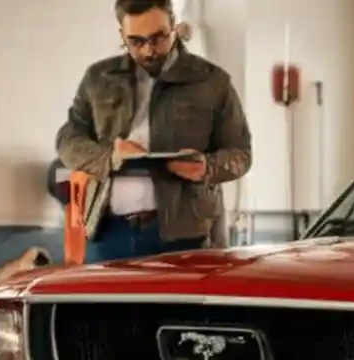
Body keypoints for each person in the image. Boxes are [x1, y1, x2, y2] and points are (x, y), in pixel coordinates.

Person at [55, 0, 251, 262]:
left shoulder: (212, 81)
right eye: (136, 41)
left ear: (174, 27)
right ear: (121, 35)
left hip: (186, 235)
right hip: (110, 232)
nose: (149, 51)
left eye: (158, 38)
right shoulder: (98, 78)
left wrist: (207, 167)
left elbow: (241, 154)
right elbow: (68, 139)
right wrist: (108, 158)